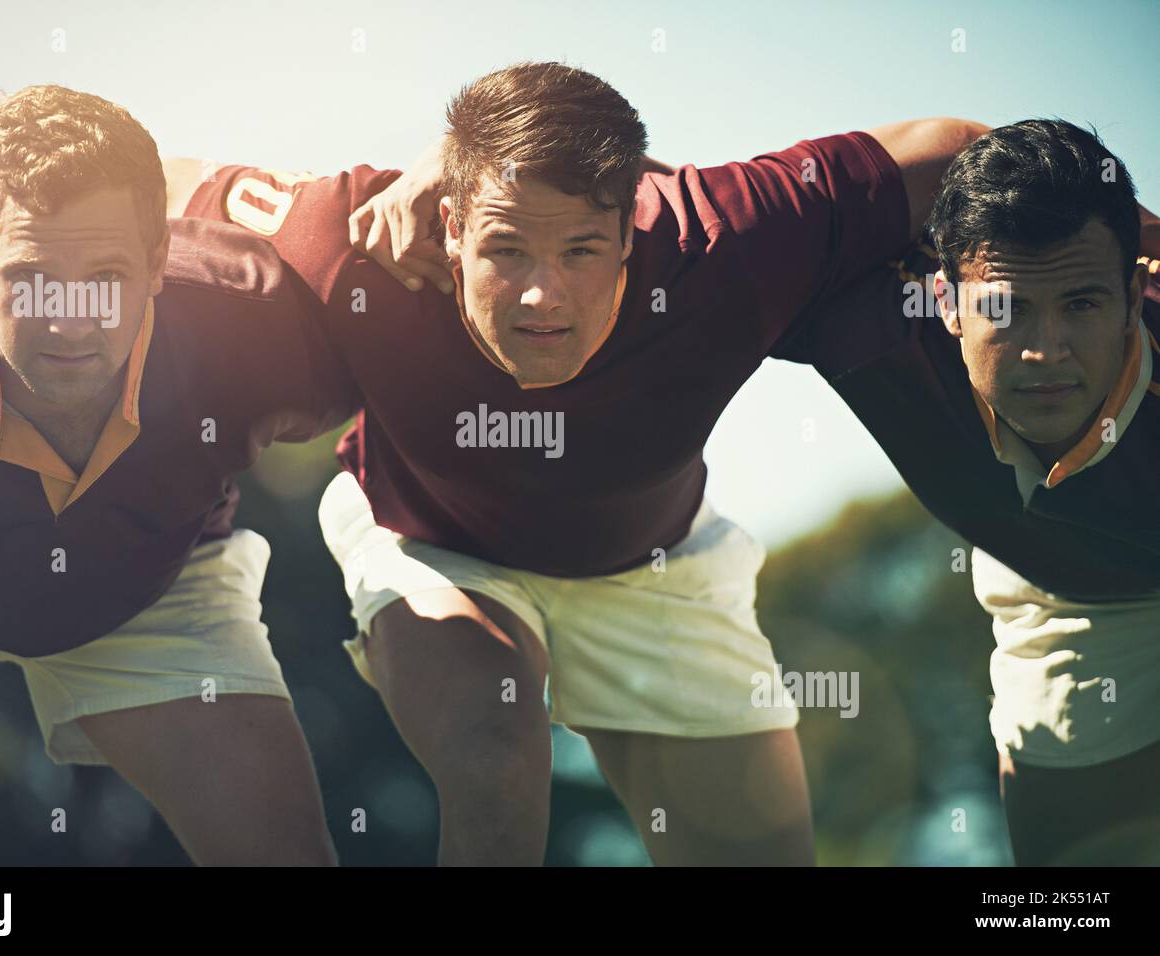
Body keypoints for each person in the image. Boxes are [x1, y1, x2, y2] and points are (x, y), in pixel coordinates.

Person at [176, 61, 988, 864]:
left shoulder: (732, 235)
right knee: (493, 760)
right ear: (451, 227)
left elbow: (957, 148)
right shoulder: (347, 234)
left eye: (580, 250)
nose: (542, 295)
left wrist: (1119, 232)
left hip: (656, 571)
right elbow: (150, 177)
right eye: (507, 249)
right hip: (431, 542)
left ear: (632, 229)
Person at [0, 85, 355, 865]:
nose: (69, 320)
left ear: (159, 258)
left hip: (158, 587)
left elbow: (432, 377)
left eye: (107, 275)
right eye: (30, 275)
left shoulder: (258, 323)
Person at [769, 119, 1160, 864]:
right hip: (1071, 587)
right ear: (945, 300)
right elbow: (687, 228)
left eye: (1081, 304)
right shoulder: (864, 321)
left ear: (1135, 288)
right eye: (1006, 310)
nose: (1046, 350)